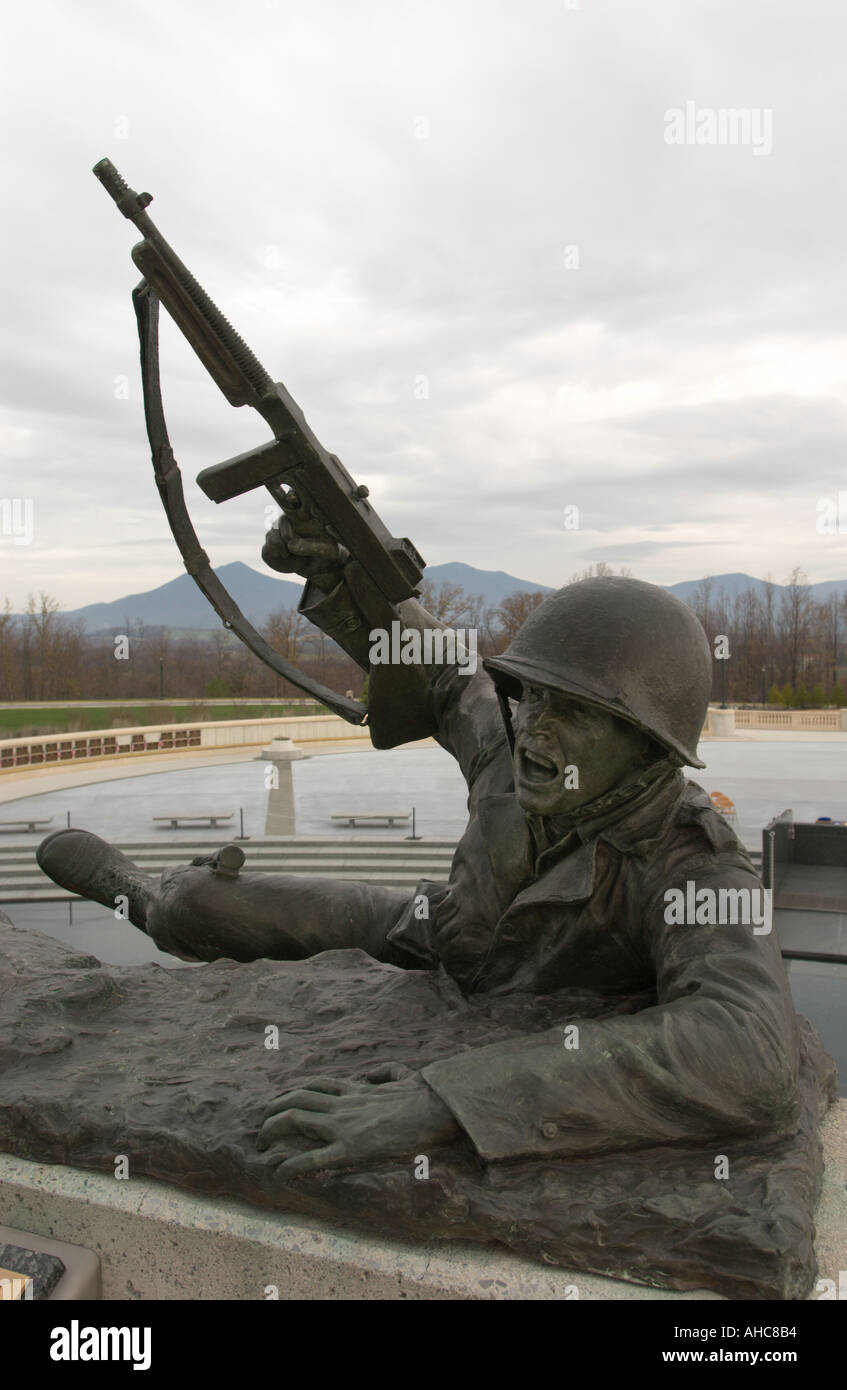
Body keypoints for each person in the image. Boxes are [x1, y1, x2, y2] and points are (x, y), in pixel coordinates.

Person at [37, 524, 800, 1178]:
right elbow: (438, 668)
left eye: (572, 713)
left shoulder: (698, 868)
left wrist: (445, 1101)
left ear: (648, 748)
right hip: (438, 929)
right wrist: (341, 576)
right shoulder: (511, 742)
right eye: (531, 696)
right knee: (205, 903)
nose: (534, 732)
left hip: (530, 991)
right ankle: (142, 894)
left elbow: (746, 1050)